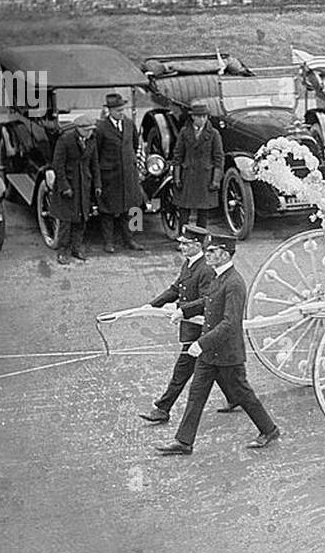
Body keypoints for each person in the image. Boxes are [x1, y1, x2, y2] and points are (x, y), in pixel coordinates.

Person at [155, 236, 280, 455]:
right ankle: (184, 442)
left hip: (227, 354)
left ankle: (269, 430)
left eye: (212, 251)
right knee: (196, 395)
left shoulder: (234, 283)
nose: (208, 254)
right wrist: (184, 310)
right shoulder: (219, 277)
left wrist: (201, 343)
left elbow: (231, 324)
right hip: (210, 353)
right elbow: (208, 301)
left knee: (244, 394)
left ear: (225, 253)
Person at [138, 224, 235, 425]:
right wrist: (151, 305)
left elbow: (208, 301)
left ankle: (163, 408)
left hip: (202, 330)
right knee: (215, 368)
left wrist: (182, 311)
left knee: (182, 370)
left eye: (186, 244)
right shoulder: (190, 264)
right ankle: (235, 397)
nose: (181, 247)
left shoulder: (206, 270)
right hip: (192, 326)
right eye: (181, 244)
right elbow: (175, 289)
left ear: (197, 245)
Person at [94, 92, 145, 253]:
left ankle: (130, 239)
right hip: (110, 176)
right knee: (107, 210)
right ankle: (108, 242)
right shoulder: (101, 128)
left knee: (130, 208)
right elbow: (96, 152)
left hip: (128, 175)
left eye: (122, 110)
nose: (121, 113)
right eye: (117, 110)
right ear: (109, 111)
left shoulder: (129, 124)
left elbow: (136, 145)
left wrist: (135, 165)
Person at [51, 113, 99, 265]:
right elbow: (58, 165)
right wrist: (64, 186)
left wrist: (97, 185)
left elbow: (94, 164)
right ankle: (62, 251)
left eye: (91, 130)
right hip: (69, 186)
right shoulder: (65, 140)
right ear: (79, 129)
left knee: (82, 219)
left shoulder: (91, 140)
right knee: (66, 221)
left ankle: (76, 248)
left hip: (84, 185)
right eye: (87, 130)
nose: (90, 133)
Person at [172, 99, 225, 228]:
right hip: (187, 177)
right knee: (184, 211)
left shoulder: (214, 134)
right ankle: (183, 239)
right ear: (192, 117)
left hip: (205, 178)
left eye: (204, 117)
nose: (202, 120)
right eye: (198, 117)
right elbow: (178, 156)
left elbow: (219, 158)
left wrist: (216, 180)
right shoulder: (184, 133)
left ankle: (199, 240)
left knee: (203, 213)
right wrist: (177, 177)